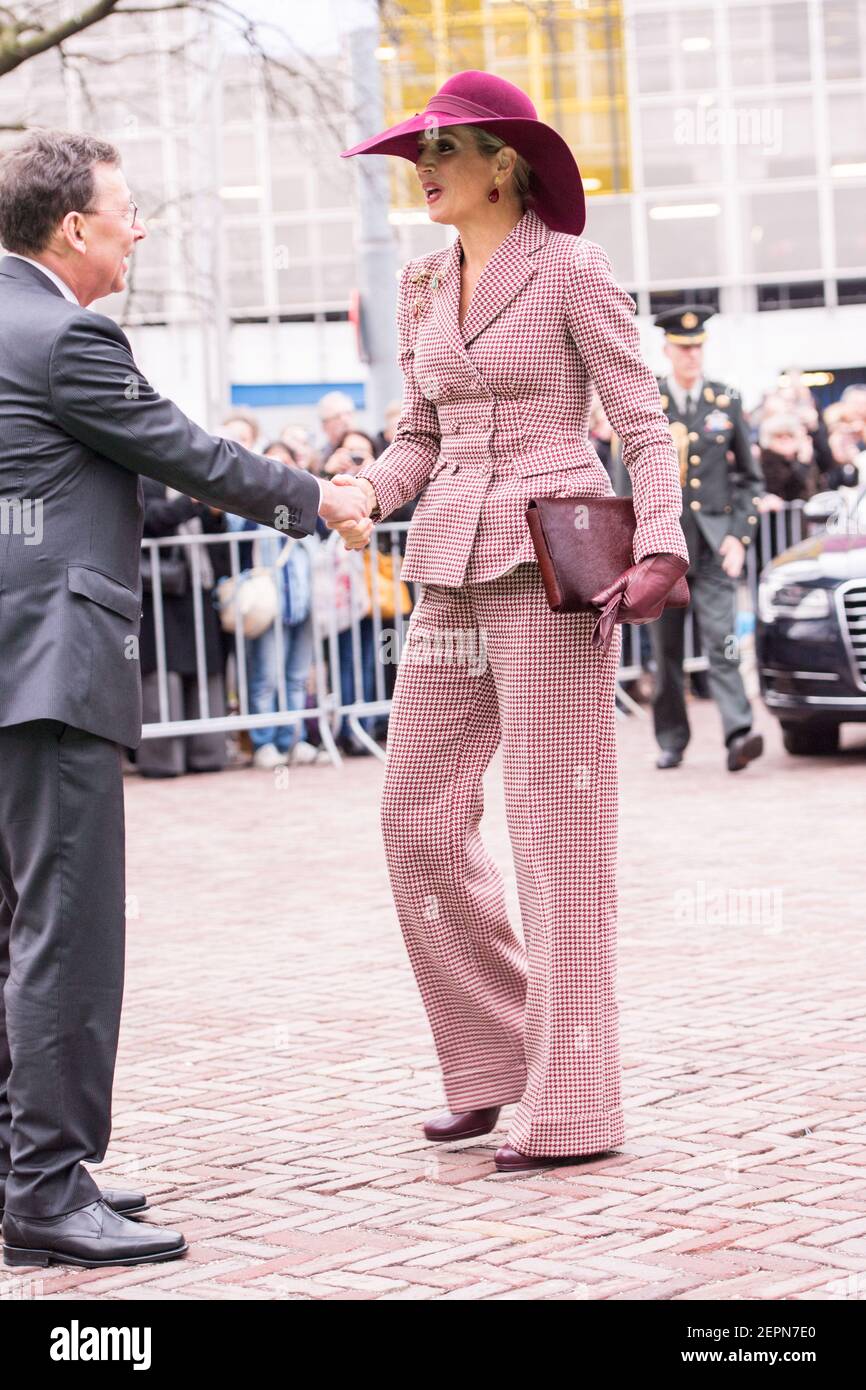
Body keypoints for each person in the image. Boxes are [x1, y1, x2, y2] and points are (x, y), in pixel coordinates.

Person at [0, 129, 367, 1268]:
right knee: (67, 930)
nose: (141, 226)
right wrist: (320, 496)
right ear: (75, 227)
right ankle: (47, 1190)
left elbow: (88, 481)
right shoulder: (69, 335)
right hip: (50, 667)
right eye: (129, 208)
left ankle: (28, 1164)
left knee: (19, 928)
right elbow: (186, 450)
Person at [336, 70, 689, 1173]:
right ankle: (493, 1063)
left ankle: (574, 1104)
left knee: (556, 836)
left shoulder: (570, 268)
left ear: (503, 163)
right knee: (416, 822)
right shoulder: (418, 285)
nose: (423, 171)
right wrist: (362, 492)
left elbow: (644, 420)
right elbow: (418, 437)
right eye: (415, 155)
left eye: (442, 152)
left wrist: (662, 542)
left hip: (552, 566)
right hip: (445, 564)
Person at [650, 305, 767, 773]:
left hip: (717, 544)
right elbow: (626, 482)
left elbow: (751, 480)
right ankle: (671, 739)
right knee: (666, 651)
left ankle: (739, 732)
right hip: (663, 547)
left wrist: (739, 537)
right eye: (683, 348)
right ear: (667, 350)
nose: (692, 355)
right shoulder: (648, 403)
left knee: (724, 643)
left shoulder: (727, 400)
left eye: (698, 347)